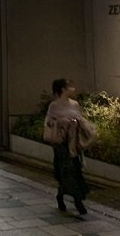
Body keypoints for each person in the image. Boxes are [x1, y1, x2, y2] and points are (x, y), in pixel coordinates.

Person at [45, 78, 95, 215]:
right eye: (70, 86)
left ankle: (61, 195)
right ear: (62, 89)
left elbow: (81, 119)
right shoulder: (54, 106)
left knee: (74, 170)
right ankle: (77, 201)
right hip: (61, 145)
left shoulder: (75, 105)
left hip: (74, 144)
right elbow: (49, 123)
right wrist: (61, 122)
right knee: (68, 171)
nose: (73, 89)